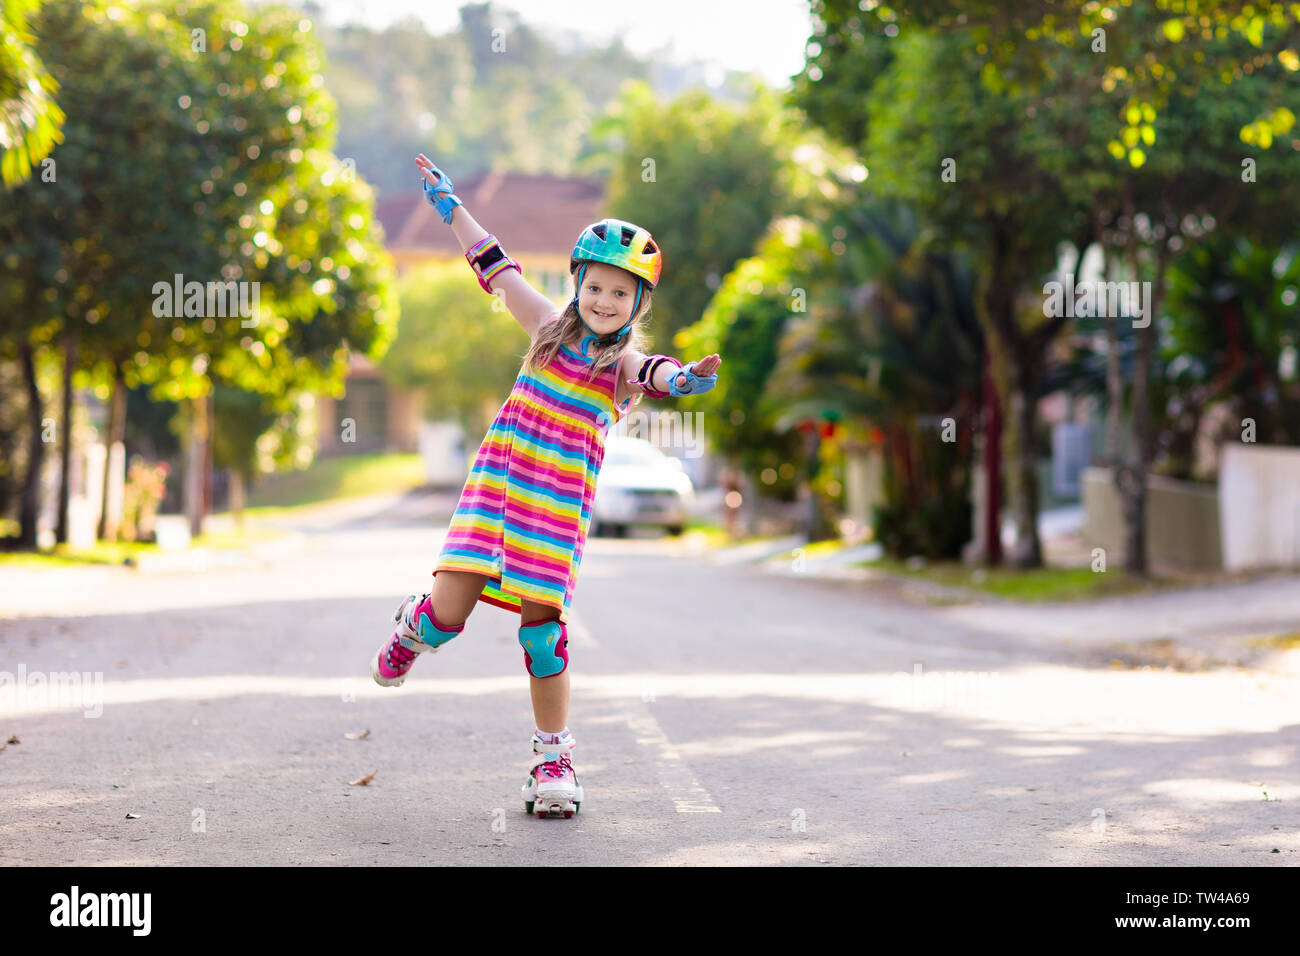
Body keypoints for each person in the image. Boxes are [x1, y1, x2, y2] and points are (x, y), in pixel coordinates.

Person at [368, 154, 722, 818]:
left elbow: (658, 373)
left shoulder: (622, 366)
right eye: (595, 287)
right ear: (577, 283)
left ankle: (552, 759)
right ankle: (415, 630)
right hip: (497, 494)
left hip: (555, 514)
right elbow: (496, 267)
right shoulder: (544, 330)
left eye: (622, 293)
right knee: (448, 617)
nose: (605, 301)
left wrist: (686, 380)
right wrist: (451, 209)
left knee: (542, 635)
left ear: (638, 303)